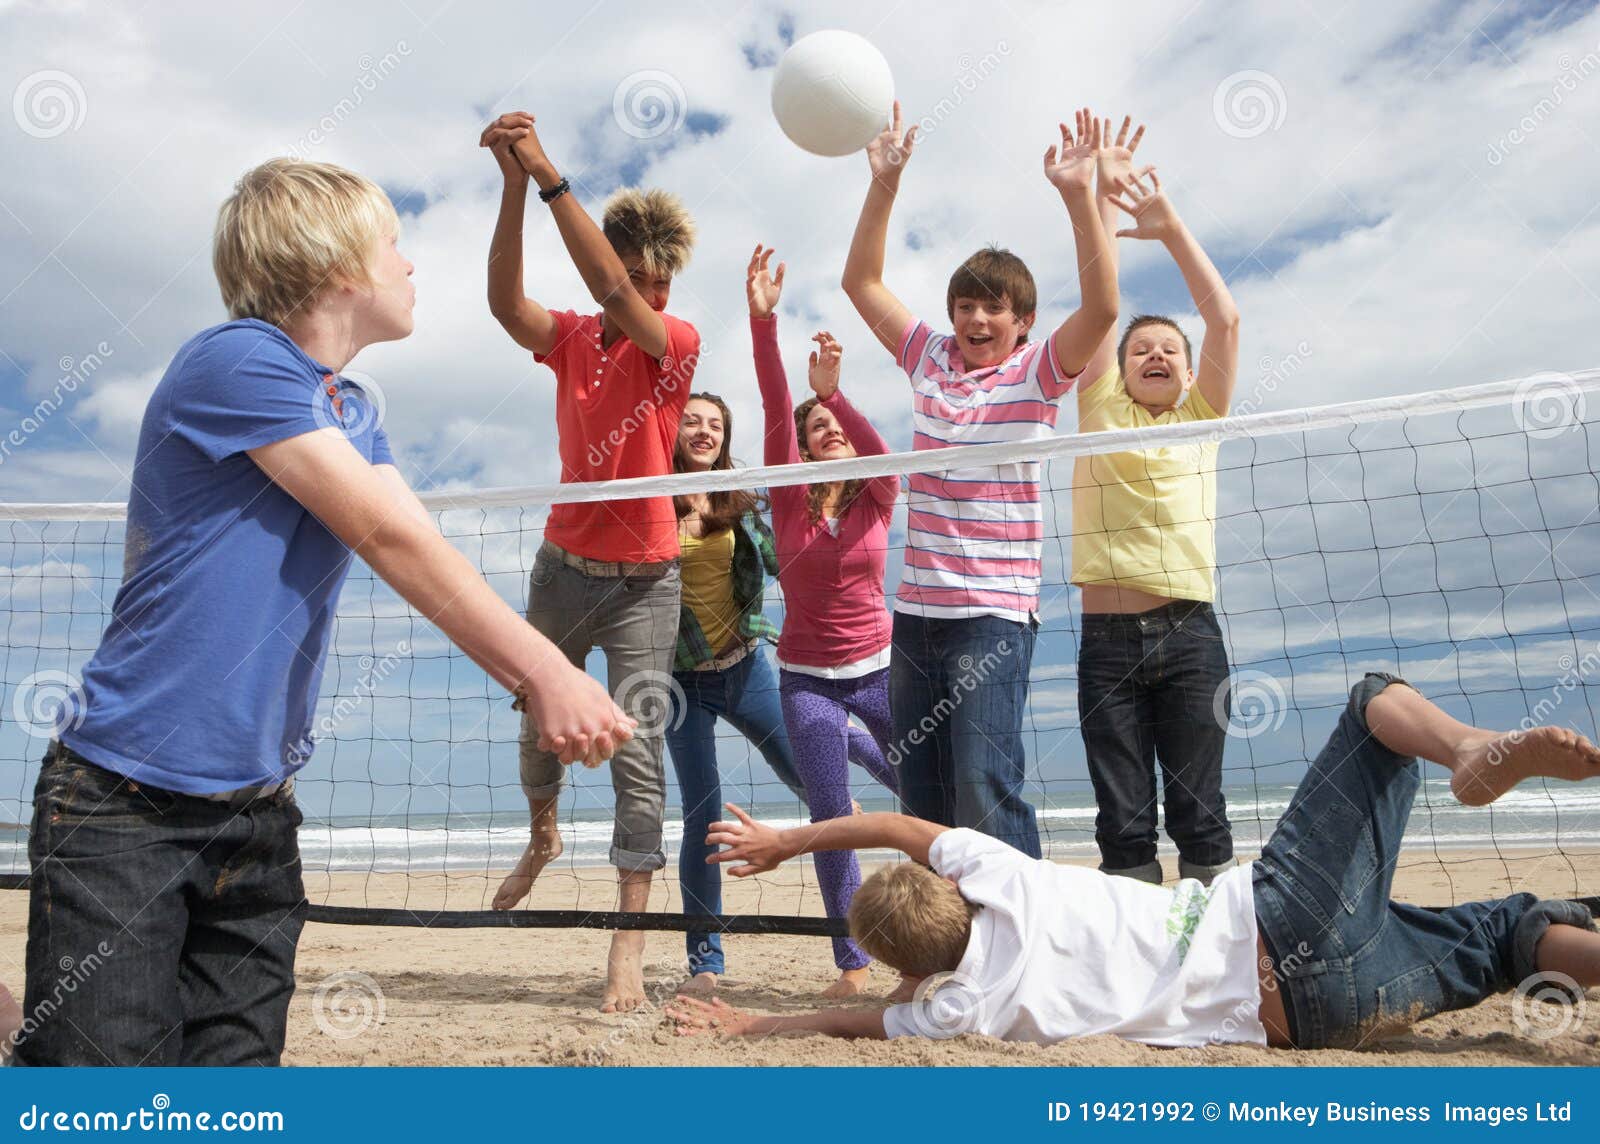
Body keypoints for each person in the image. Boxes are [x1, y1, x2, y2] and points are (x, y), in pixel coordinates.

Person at [13, 159, 632, 1067]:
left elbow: (422, 549)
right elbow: (386, 535)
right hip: (122, 809)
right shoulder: (236, 359)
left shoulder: (354, 409)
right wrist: (544, 670)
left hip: (259, 816)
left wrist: (539, 671)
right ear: (338, 264)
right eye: (395, 242)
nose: (411, 262)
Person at [671, 676, 1600, 1049]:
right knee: (1369, 703)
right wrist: (789, 838)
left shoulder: (959, 1007)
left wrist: (755, 1022)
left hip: (1310, 1016)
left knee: (1511, 937)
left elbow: (854, 1018)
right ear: (954, 882)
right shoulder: (1007, 878)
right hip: (1273, 916)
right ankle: (1469, 745)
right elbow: (899, 824)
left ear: (911, 967)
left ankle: (1539, 930)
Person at [840, 106, 1125, 856]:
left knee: (983, 785)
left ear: (1021, 319)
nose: (973, 317)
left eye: (990, 307)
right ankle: (943, 954)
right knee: (923, 795)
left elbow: (1103, 308)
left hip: (993, 616)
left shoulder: (1036, 371)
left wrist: (1076, 195)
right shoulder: (929, 357)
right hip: (917, 616)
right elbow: (859, 279)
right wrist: (885, 184)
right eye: (963, 305)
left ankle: (1024, 948)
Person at [481, 111, 698, 1013]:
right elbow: (504, 305)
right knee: (540, 724)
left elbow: (613, 296)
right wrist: (509, 188)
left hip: (648, 580)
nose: (647, 292)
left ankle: (628, 952)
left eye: (658, 282)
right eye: (638, 276)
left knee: (638, 753)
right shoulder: (570, 336)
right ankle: (542, 834)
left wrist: (548, 173)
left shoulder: (672, 344)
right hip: (564, 570)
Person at [1072, 131, 1241, 885]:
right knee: (1123, 821)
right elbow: (1100, 301)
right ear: (1121, 364)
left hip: (1191, 633)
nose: (1158, 355)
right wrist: (1100, 198)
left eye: (1171, 347)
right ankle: (1138, 965)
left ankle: (1216, 963)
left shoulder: (1202, 412)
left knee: (1200, 811)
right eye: (1143, 347)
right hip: (1107, 637)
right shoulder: (1100, 403)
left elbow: (1226, 320)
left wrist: (1169, 226)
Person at [750, 245, 901, 997]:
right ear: (803, 448)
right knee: (832, 816)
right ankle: (852, 962)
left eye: (832, 427)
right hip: (807, 676)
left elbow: (879, 453)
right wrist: (763, 320)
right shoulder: (785, 499)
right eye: (816, 430)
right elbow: (778, 406)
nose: (827, 434)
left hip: (880, 668)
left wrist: (835, 396)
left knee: (924, 785)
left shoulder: (876, 494)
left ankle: (948, 925)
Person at [668, 390, 805, 990]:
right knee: (702, 816)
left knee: (814, 779)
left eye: (715, 425)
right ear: (673, 433)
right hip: (678, 683)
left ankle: (861, 921)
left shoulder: (746, 495)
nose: (704, 432)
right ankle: (707, 962)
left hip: (746, 667)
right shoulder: (645, 497)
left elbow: (788, 559)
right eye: (692, 421)